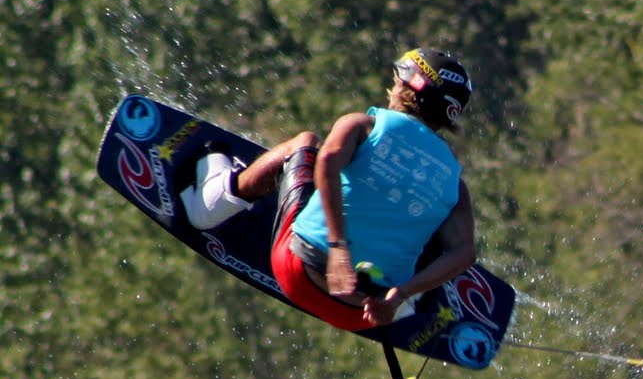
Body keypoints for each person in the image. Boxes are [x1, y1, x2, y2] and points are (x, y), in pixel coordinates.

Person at [180, 48, 476, 332]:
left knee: (307, 143)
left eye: (397, 79)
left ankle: (212, 201)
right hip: (360, 315)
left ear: (409, 87)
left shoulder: (363, 126)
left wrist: (338, 249)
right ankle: (413, 297)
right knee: (435, 218)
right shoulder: (456, 184)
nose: (392, 86)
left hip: (297, 273)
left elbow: (327, 166)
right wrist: (399, 295)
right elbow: (464, 253)